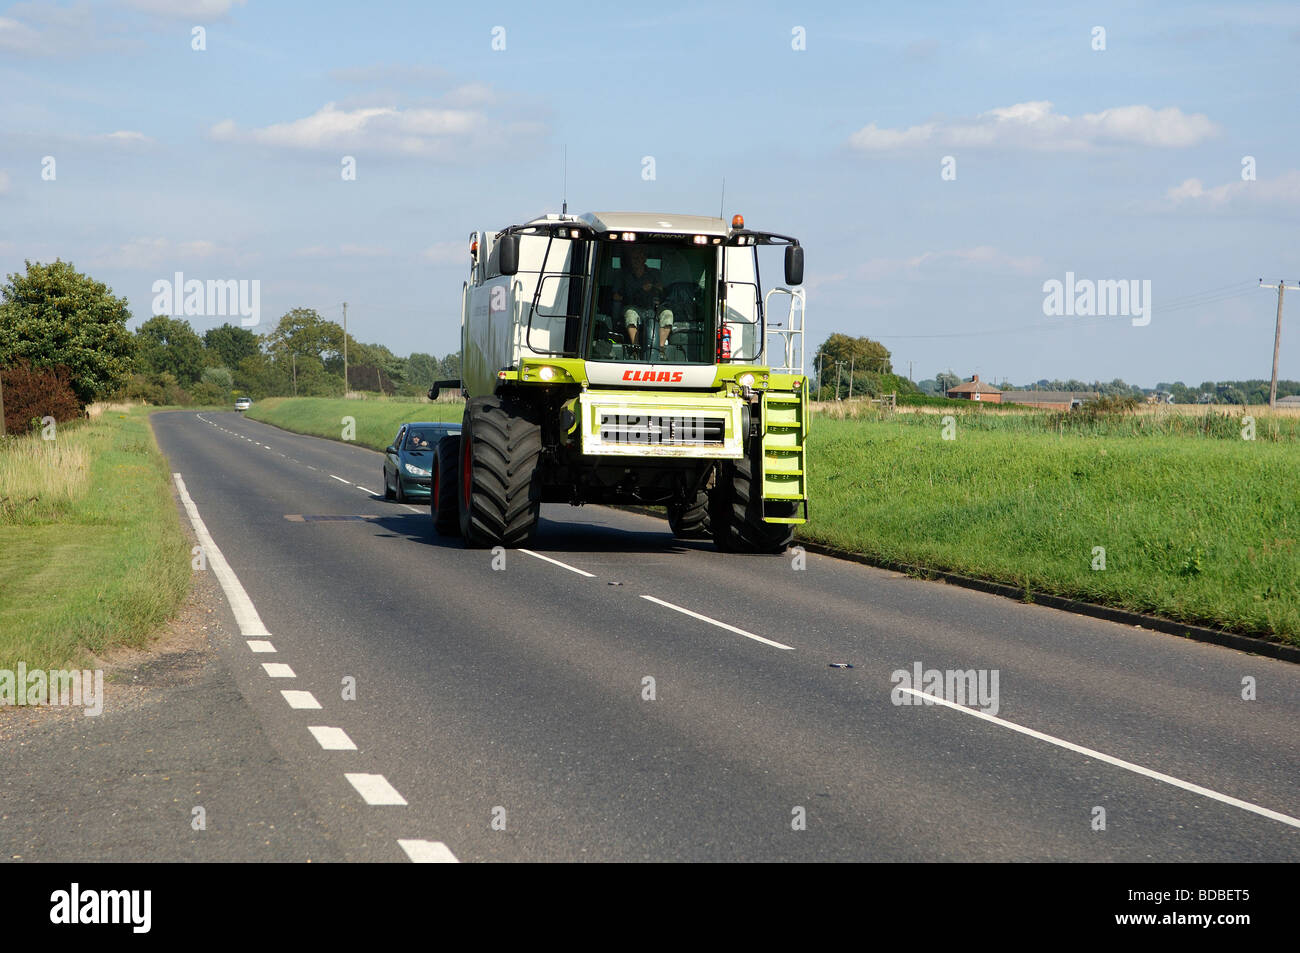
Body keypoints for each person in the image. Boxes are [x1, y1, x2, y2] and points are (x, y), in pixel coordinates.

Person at [611, 245, 672, 351]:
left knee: (668, 315)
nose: (637, 260)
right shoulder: (623, 275)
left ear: (644, 258)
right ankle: (635, 347)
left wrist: (653, 288)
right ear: (630, 259)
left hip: (653, 307)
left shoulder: (655, 273)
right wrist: (639, 290)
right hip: (633, 306)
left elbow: (662, 290)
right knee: (630, 315)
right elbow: (616, 296)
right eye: (634, 257)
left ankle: (660, 349)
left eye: (640, 257)